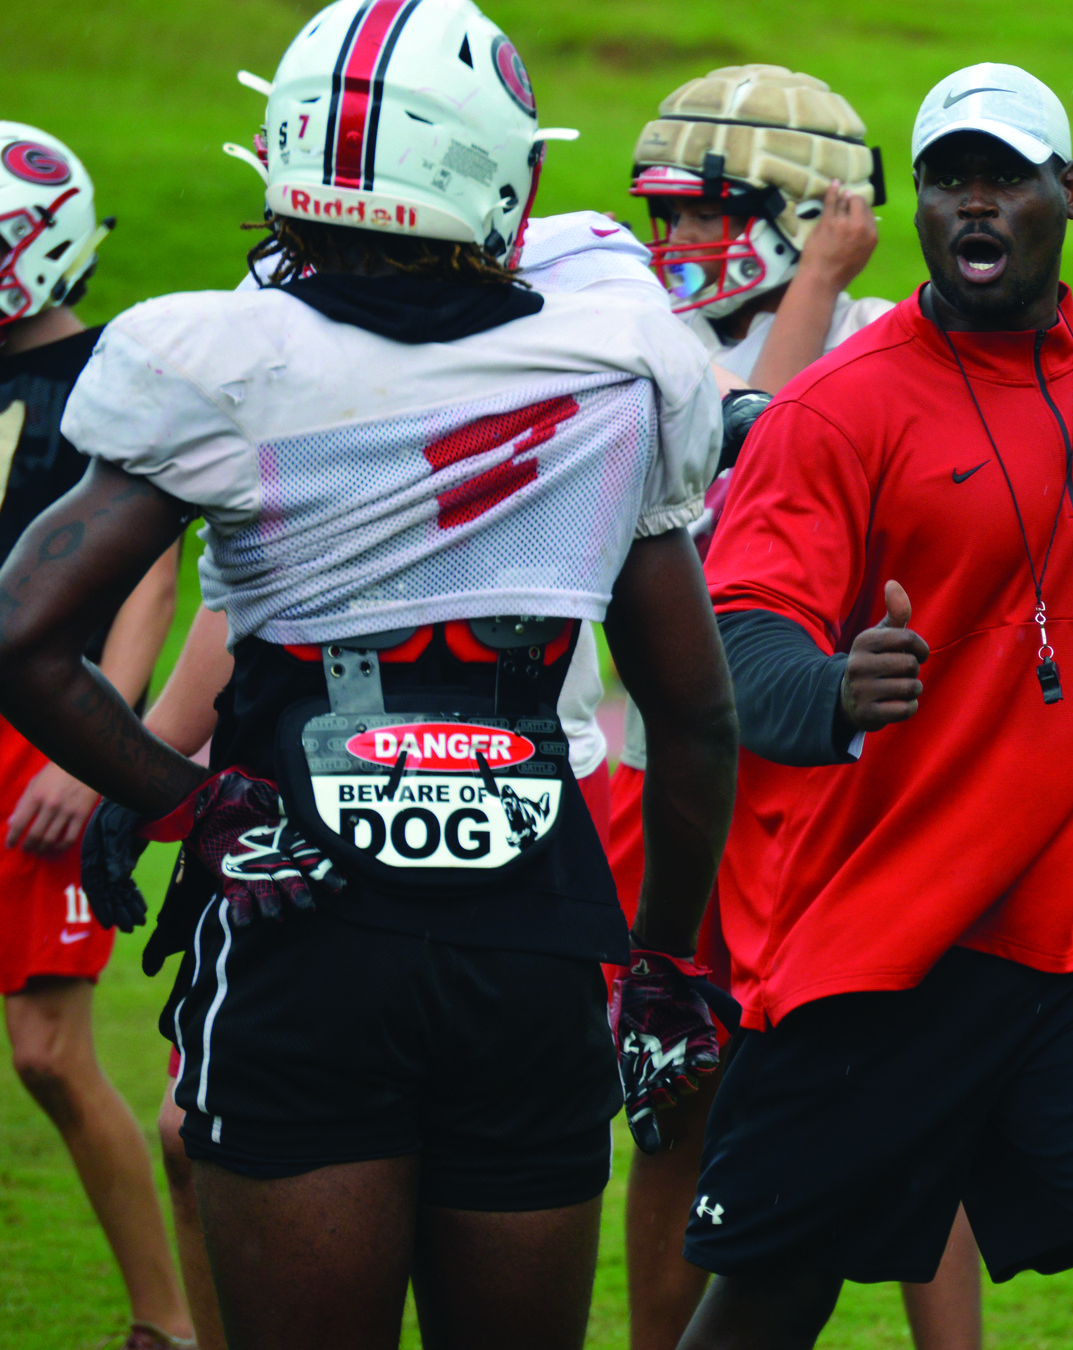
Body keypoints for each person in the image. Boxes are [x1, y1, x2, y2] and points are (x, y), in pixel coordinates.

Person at [0, 4, 737, 1348]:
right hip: (531, 936)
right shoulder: (615, 366)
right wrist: (668, 958)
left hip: (303, 927)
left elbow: (21, 636)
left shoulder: (226, 359)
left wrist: (186, 799)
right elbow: (693, 716)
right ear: (499, 171)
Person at [677, 64, 1073, 1350]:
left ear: (1070, 192)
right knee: (771, 1296)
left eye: (1006, 177)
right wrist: (832, 690)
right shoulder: (837, 407)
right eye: (949, 179)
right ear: (923, 205)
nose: (975, 203)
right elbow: (738, 632)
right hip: (888, 931)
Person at [609, 64, 982, 1350]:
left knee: (909, 1094)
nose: (673, 238)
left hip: (833, 786)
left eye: (703, 211)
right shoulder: (633, 337)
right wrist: (807, 290)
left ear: (816, 214)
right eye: (661, 211)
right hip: (674, 774)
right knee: (672, 1095)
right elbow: (718, 490)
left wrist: (822, 286)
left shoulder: (896, 340)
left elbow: (758, 474)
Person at [0, 121, 192, 1350]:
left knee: (49, 1052)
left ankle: (164, 1323)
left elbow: (150, 576)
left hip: (46, 728)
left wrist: (91, 749)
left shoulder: (110, 375)